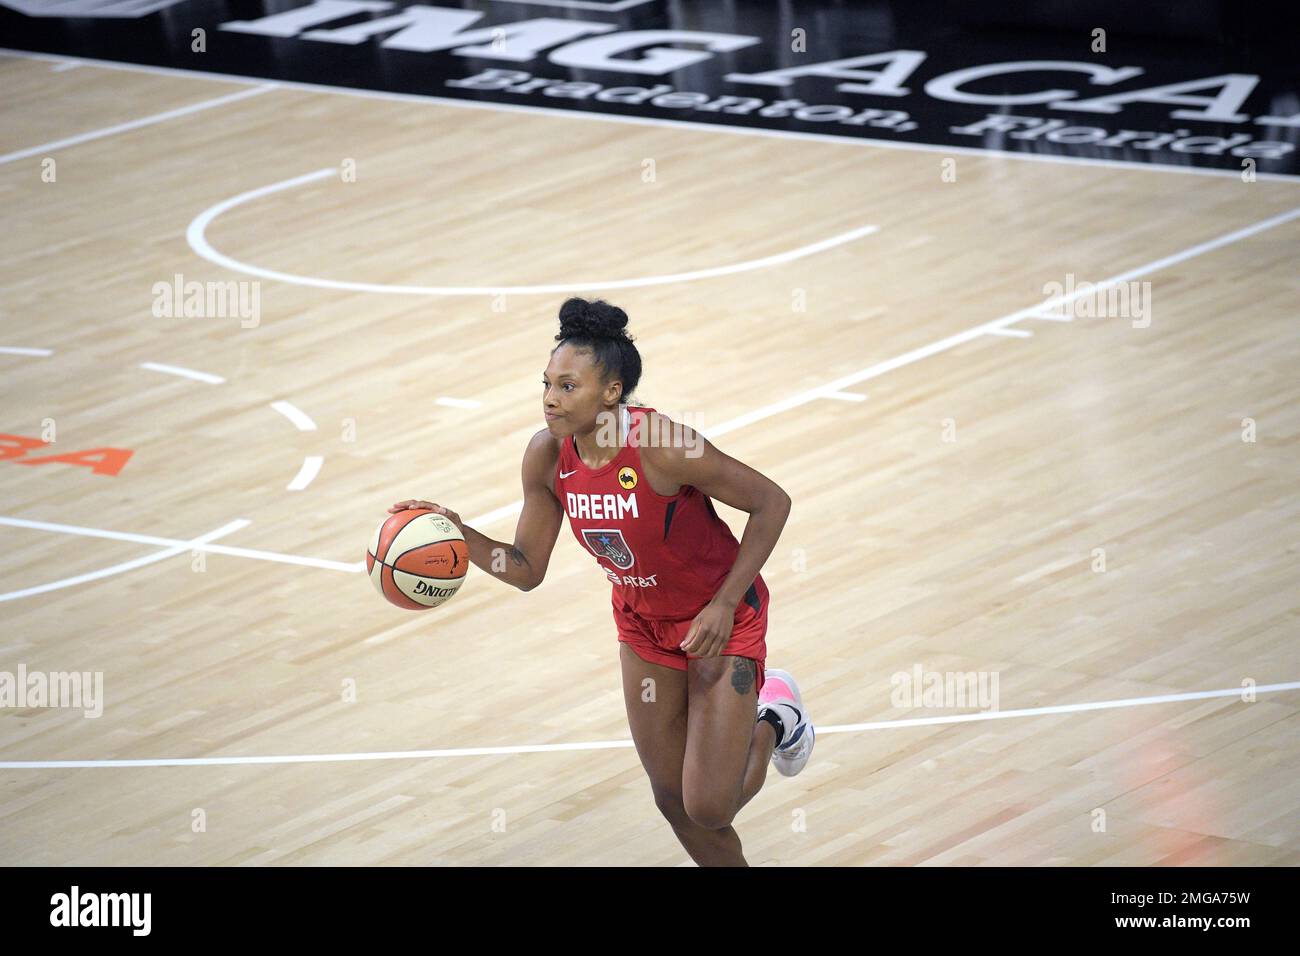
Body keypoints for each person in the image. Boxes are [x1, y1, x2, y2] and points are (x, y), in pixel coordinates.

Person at [390, 297, 814, 866]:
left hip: (720, 616)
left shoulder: (663, 444)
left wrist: (724, 603)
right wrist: (456, 533)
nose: (549, 398)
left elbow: (771, 502)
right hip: (642, 626)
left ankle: (776, 716)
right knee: (672, 800)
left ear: (611, 392)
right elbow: (524, 570)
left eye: (567, 386)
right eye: (545, 384)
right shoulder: (546, 456)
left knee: (710, 807)